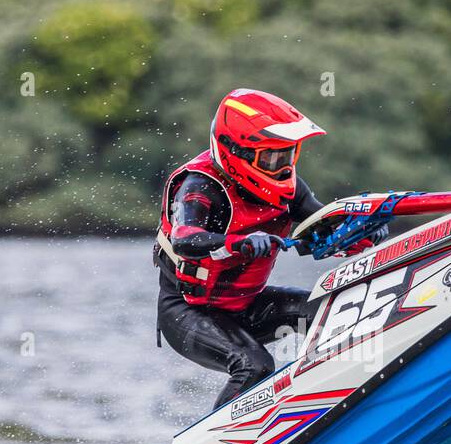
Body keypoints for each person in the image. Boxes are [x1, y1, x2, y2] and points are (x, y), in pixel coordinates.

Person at [154, 88, 370, 409]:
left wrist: (361, 232)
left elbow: (324, 222)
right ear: (236, 153)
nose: (283, 168)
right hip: (188, 311)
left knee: (334, 311)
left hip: (246, 306)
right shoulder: (200, 186)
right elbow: (185, 239)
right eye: (271, 157)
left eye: (288, 155)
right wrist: (238, 244)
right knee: (254, 366)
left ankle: (346, 398)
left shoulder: (288, 187)